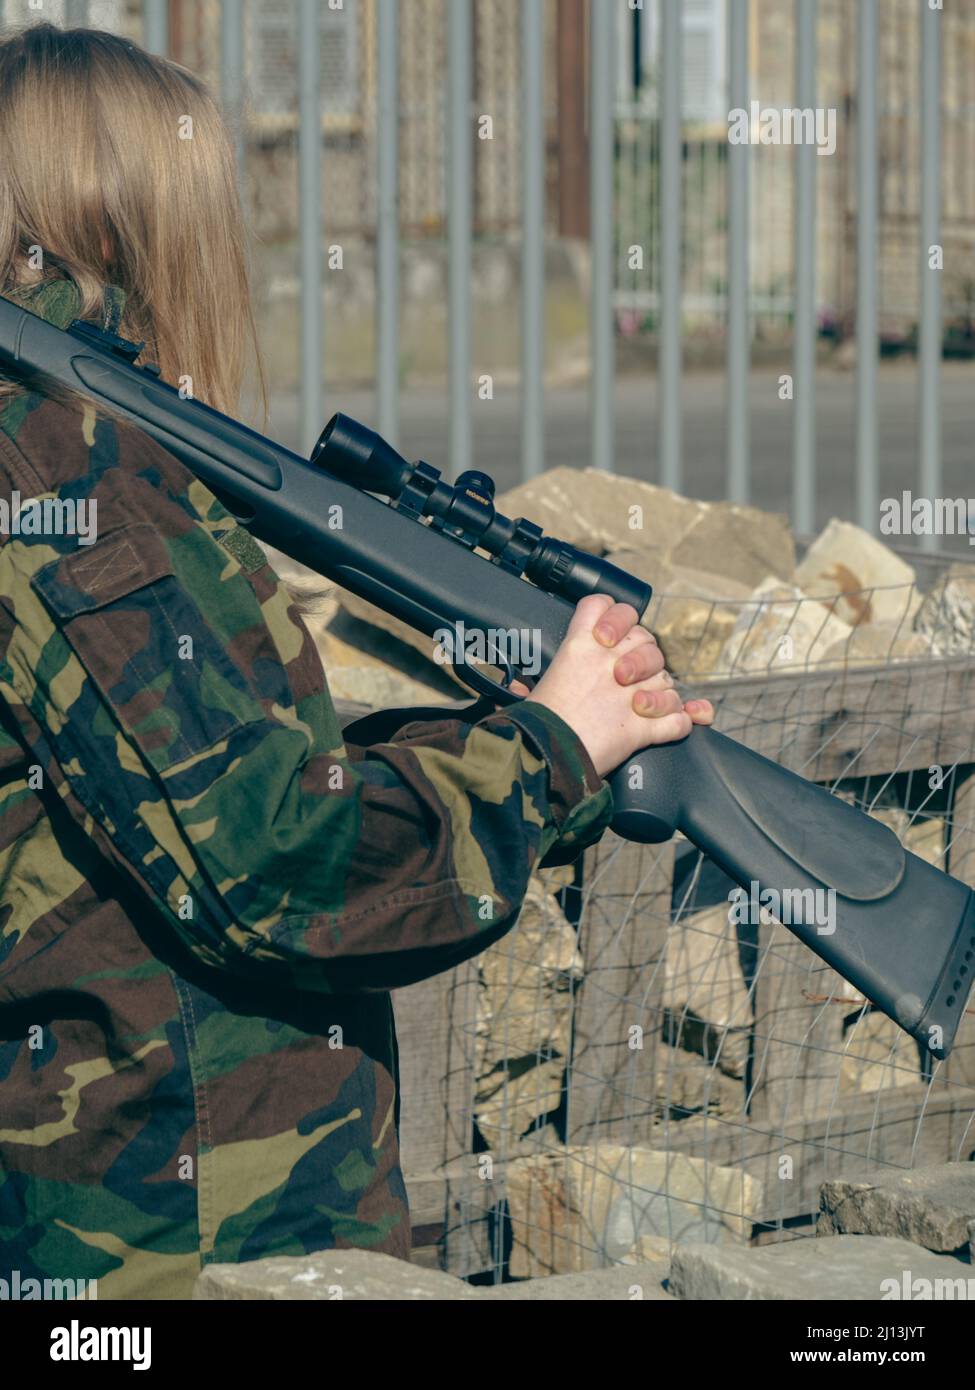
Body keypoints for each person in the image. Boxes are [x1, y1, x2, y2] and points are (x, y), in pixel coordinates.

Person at [0, 24, 713, 1299]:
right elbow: (266, 859)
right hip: (189, 1244)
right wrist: (546, 757)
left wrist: (526, 737)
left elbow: (215, 789)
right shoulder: (71, 466)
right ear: (123, 214)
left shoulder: (77, 444)